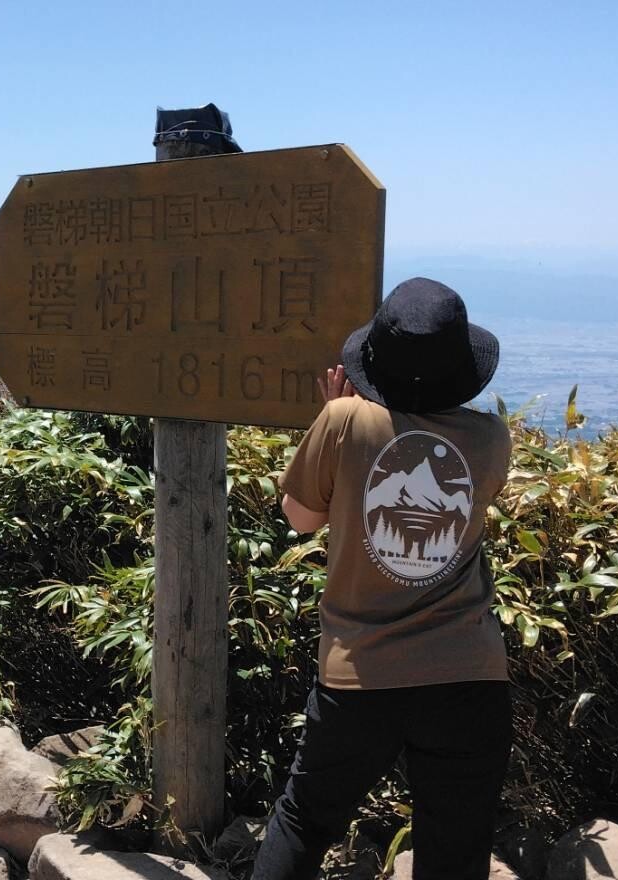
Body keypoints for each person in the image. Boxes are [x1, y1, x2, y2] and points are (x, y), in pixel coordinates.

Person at [252, 277, 513, 880]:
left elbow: (299, 519)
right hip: (469, 676)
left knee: (304, 820)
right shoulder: (491, 437)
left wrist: (329, 426)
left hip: (359, 674)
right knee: (455, 852)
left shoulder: (345, 420)